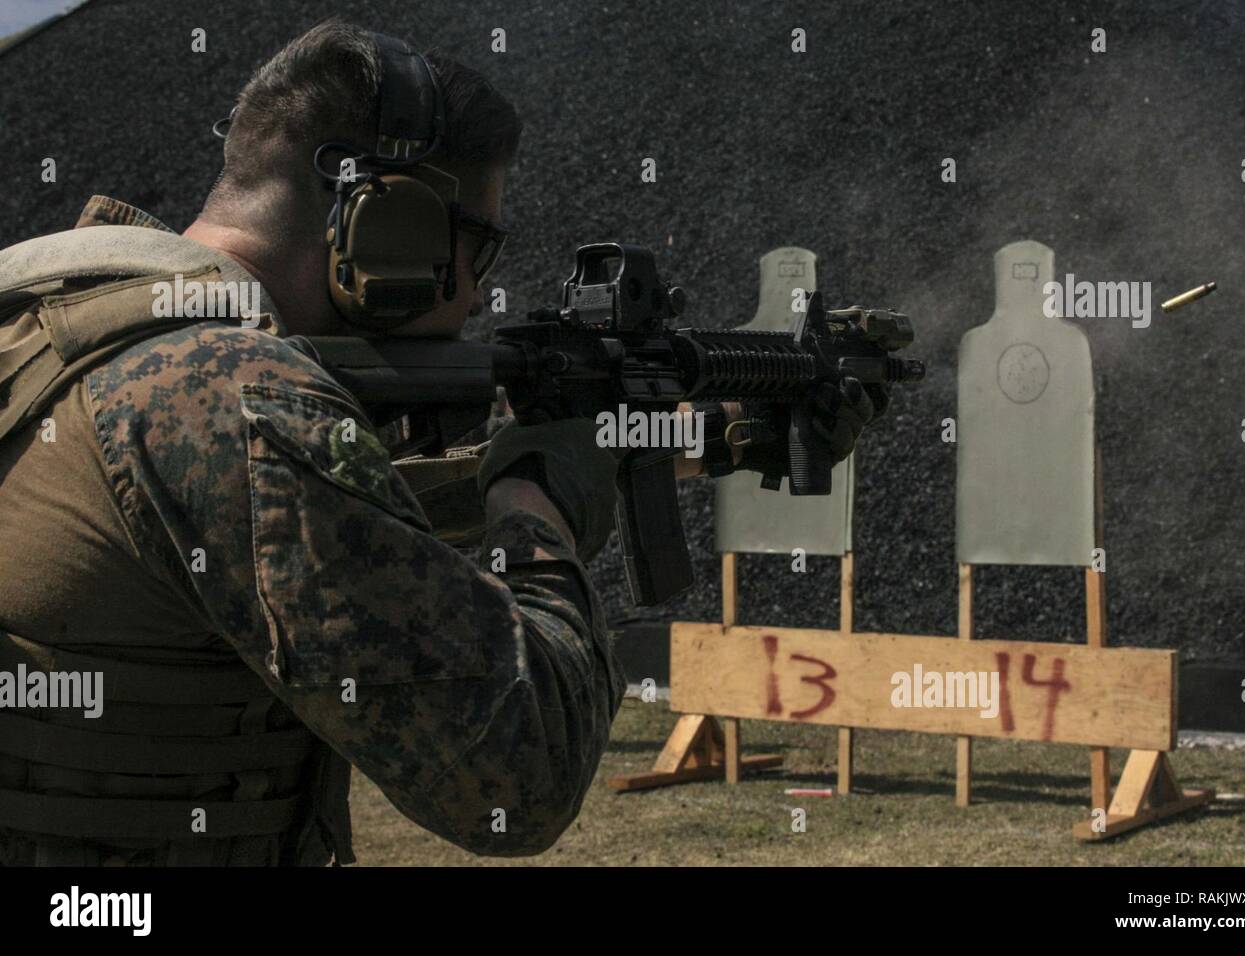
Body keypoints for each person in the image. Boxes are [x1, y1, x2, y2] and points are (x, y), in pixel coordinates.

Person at [0, 19, 878, 866]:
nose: (472, 299)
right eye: (481, 250)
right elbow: (522, 774)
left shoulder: (64, 328)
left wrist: (716, 437)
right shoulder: (239, 399)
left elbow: (339, 529)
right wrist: (539, 510)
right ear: (391, 227)